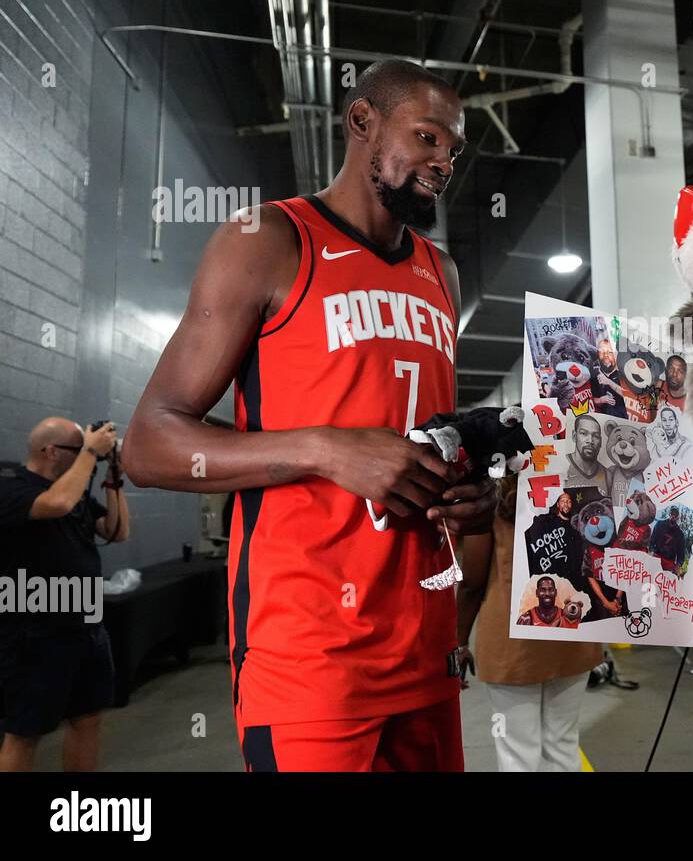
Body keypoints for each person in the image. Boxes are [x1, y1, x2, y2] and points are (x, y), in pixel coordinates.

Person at [122, 60, 496, 773]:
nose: (445, 161)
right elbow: (148, 443)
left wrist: (469, 495)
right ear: (362, 122)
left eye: (454, 148)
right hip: (310, 655)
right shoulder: (267, 237)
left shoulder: (440, 272)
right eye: (427, 137)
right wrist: (327, 450)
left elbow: (424, 437)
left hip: (426, 646)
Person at [0, 419, 129, 772]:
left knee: (87, 720)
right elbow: (55, 504)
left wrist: (113, 474)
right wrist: (91, 451)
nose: (88, 454)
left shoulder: (76, 493)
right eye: (79, 448)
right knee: (25, 732)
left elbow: (117, 531)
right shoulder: (11, 486)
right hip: (35, 633)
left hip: (86, 631)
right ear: (51, 451)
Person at [457, 475, 600, 771]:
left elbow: (472, 578)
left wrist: (458, 640)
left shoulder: (487, 489)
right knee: (563, 744)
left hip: (511, 642)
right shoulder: (573, 482)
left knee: (518, 754)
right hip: (572, 632)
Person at [563, 415, 612, 496]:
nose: (590, 440)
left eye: (595, 436)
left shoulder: (608, 475)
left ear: (601, 442)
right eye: (583, 433)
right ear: (574, 436)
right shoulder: (561, 465)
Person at [592, 339, 627, 418]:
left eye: (610, 352)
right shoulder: (594, 375)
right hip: (603, 422)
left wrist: (609, 382)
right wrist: (601, 400)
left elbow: (630, 397)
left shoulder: (623, 373)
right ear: (597, 354)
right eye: (602, 351)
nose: (605, 355)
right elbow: (590, 400)